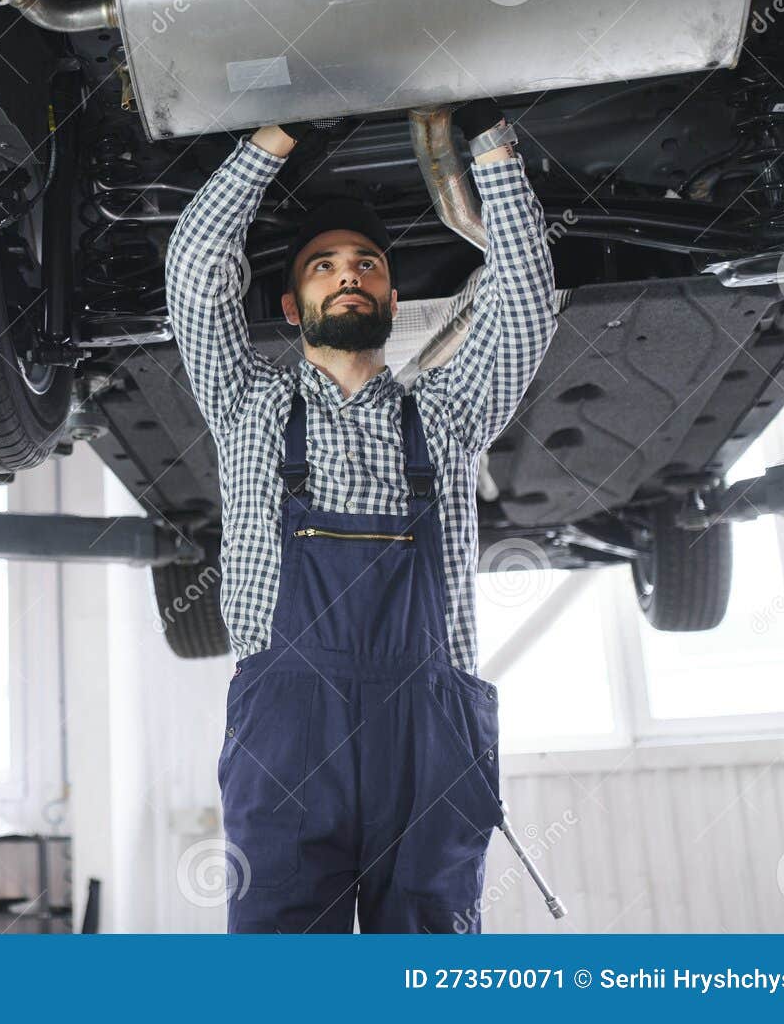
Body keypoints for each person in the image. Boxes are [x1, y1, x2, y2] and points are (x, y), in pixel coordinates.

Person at [164, 102, 558, 932]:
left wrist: (489, 145)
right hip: (288, 746)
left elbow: (524, 304)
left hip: (429, 740)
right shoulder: (246, 406)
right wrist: (278, 133)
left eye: (367, 263)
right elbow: (197, 267)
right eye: (323, 265)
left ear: (389, 292)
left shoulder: (447, 412)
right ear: (289, 304)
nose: (349, 273)